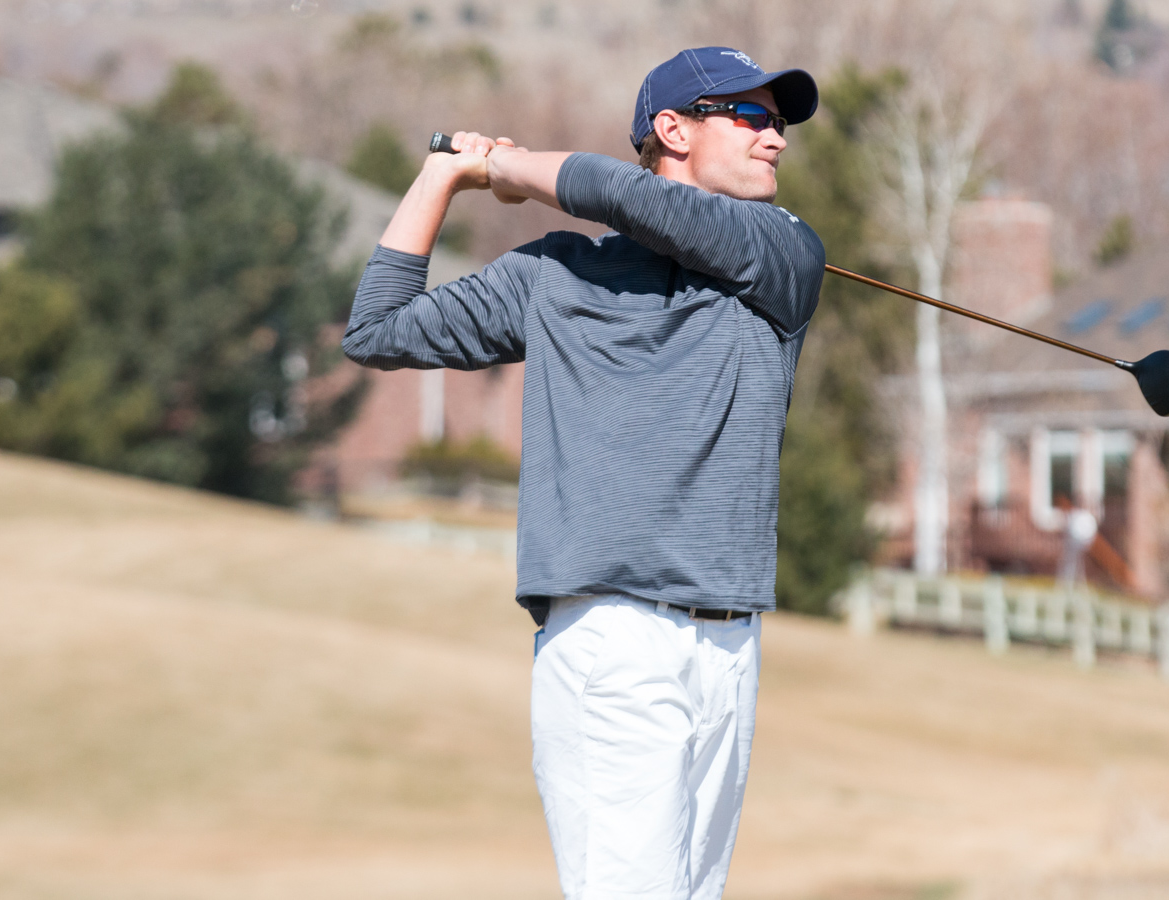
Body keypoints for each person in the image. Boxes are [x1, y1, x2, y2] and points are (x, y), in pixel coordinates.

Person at [341, 47, 822, 899]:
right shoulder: (553, 274)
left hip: (730, 642)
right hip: (612, 638)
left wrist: (511, 170)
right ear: (672, 129)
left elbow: (625, 194)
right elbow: (378, 329)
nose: (774, 139)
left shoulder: (780, 255)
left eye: (778, 123)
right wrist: (445, 179)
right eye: (750, 117)